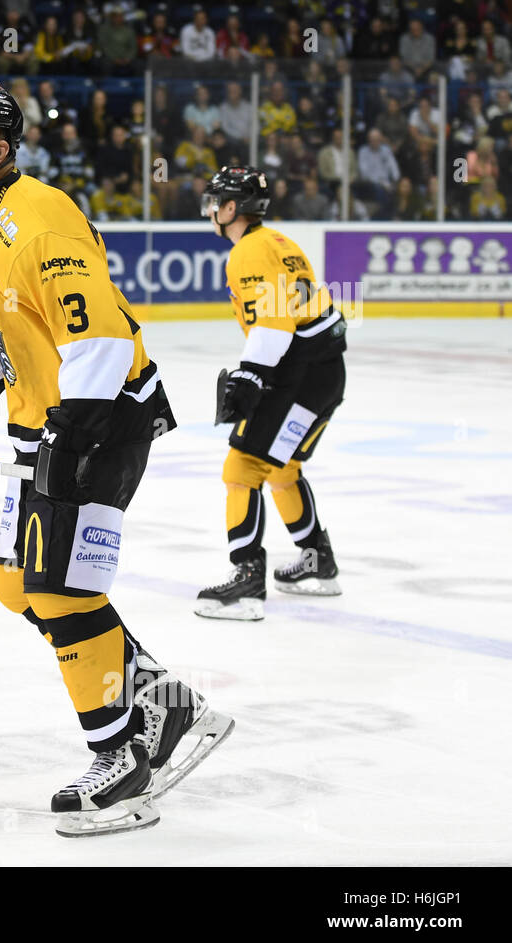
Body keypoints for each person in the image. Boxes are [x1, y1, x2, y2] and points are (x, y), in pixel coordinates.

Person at [0, 82, 232, 836]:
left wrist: (70, 436)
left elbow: (103, 341)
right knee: (15, 586)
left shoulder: (41, 219)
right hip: (48, 426)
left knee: (58, 590)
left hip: (104, 419)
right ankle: (169, 708)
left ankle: (121, 761)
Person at [196, 166, 348, 620]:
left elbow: (275, 320)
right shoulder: (282, 243)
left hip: (296, 373)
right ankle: (318, 563)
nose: (209, 210)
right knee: (284, 466)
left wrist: (250, 377)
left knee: (241, 466)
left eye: (214, 202)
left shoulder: (247, 252)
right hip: (327, 372)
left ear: (230, 209)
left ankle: (246, 584)